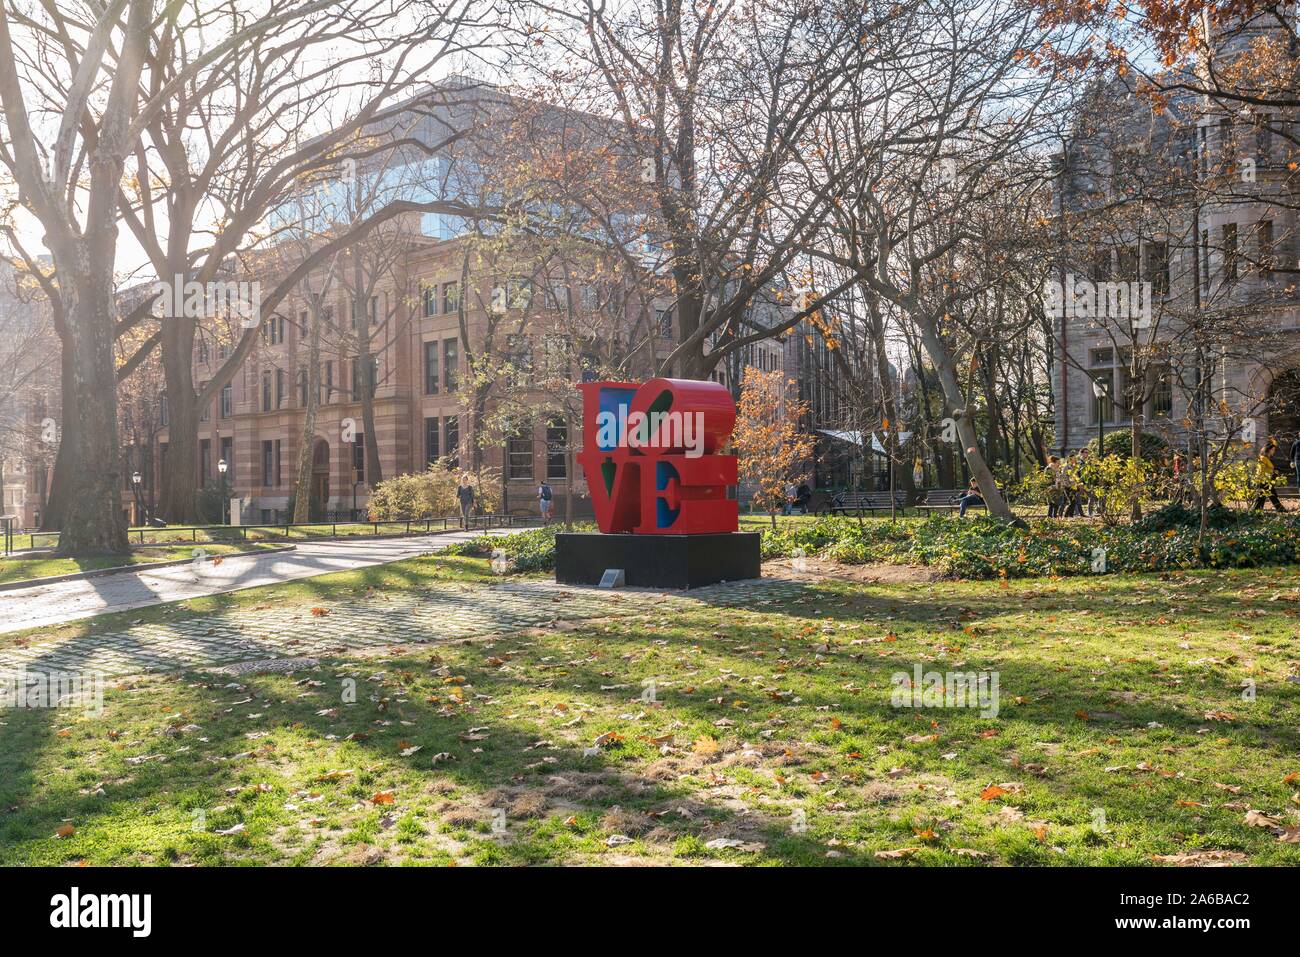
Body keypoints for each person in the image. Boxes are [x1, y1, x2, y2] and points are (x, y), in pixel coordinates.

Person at [1253, 438, 1286, 512]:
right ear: (1268, 449)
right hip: (1263, 481)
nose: (1274, 451)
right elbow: (1260, 470)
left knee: (1269, 496)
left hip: (1267, 480)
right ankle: (1255, 511)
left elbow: (1268, 469)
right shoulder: (1263, 458)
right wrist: (1260, 481)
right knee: (1262, 497)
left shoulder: (1266, 458)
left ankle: (1257, 511)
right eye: (1273, 450)